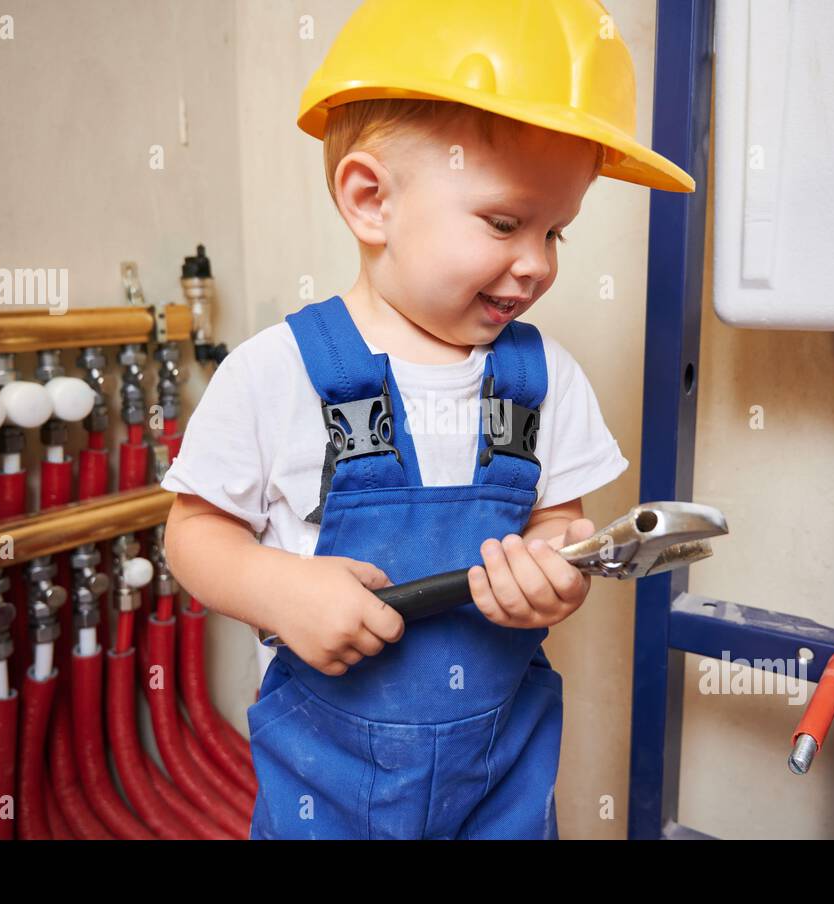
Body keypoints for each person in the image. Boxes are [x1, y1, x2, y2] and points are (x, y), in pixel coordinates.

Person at [160, 0, 693, 839]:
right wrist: (278, 587)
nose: (537, 264)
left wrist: (556, 578)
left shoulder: (543, 378)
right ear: (370, 200)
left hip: (501, 783)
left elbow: (560, 524)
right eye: (506, 222)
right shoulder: (275, 373)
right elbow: (191, 535)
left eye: (559, 231)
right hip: (325, 794)